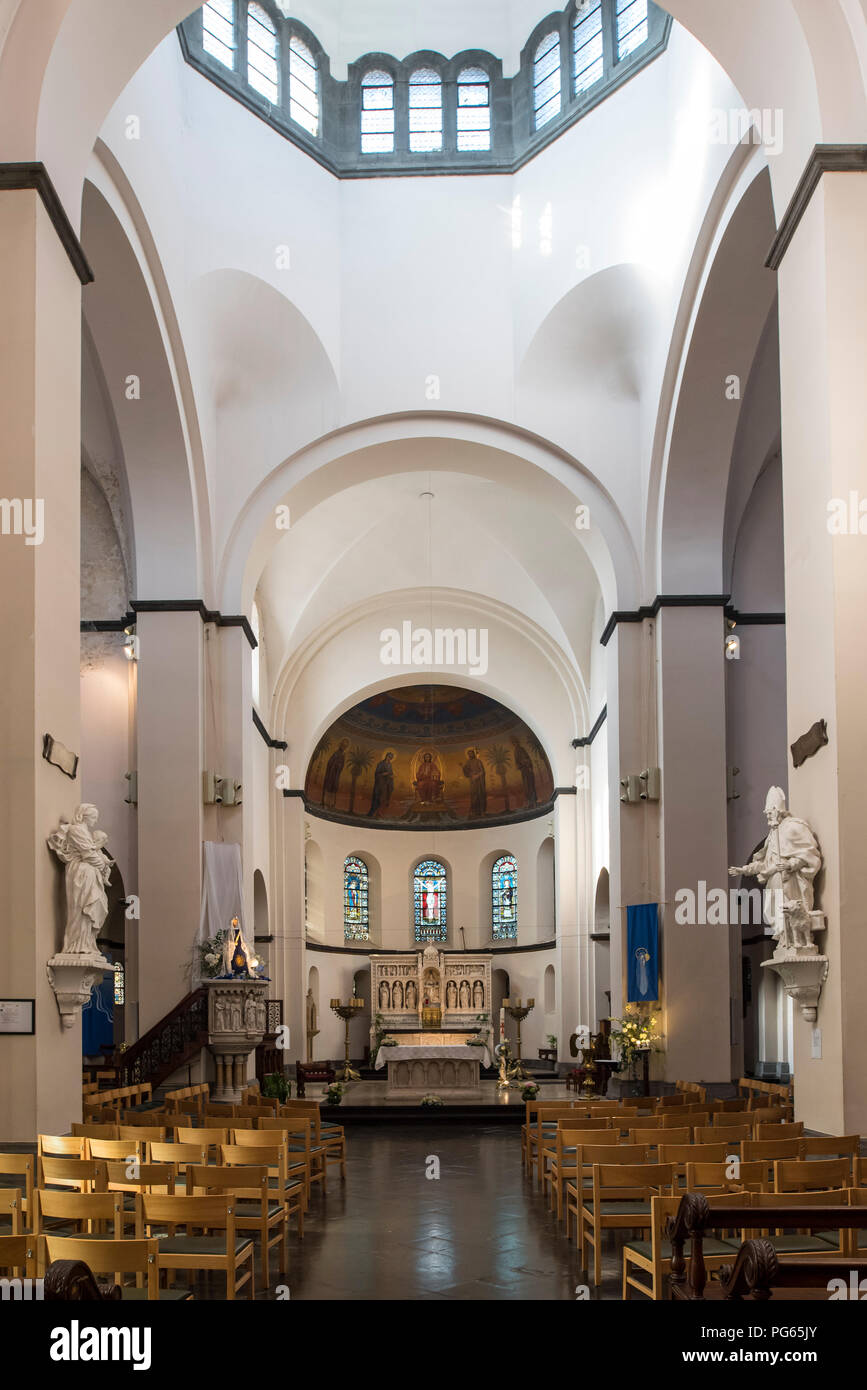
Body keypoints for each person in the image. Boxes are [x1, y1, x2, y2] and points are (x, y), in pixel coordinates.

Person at [728, 786, 823, 949]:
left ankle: (797, 941)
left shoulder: (794, 827)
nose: (767, 815)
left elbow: (808, 855)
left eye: (769, 812)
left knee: (790, 911)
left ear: (777, 810)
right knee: (774, 913)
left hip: (789, 881)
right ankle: (785, 940)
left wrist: (790, 864)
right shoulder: (773, 834)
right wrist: (744, 870)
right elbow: (766, 864)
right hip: (774, 883)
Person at [47, 804, 113, 956]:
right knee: (82, 908)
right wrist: (103, 865)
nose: (95, 821)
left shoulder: (87, 833)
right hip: (82, 873)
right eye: (94, 817)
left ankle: (88, 942)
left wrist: (102, 866)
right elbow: (88, 854)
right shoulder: (76, 830)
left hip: (90, 873)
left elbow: (92, 852)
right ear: (84, 816)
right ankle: (77, 944)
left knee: (98, 905)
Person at [322, 738, 349, 808]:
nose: (343, 747)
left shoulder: (343, 756)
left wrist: (339, 766)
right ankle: (326, 803)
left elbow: (342, 766)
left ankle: (331, 804)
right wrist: (334, 764)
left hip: (336, 775)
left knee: (334, 788)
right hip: (331, 773)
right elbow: (329, 762)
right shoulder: (335, 753)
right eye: (342, 745)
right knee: (329, 787)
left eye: (345, 746)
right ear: (340, 745)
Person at [367, 750, 395, 817]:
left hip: (386, 785)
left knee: (383, 799)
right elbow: (377, 774)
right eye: (389, 757)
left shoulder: (390, 765)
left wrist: (391, 776)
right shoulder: (381, 764)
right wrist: (383, 774)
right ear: (386, 756)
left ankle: (379, 813)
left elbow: (390, 773)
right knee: (377, 798)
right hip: (380, 784)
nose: (389, 758)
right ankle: (372, 813)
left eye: (391, 758)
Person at [511, 737, 537, 807]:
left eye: (515, 742)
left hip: (527, 769)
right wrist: (521, 765)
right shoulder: (516, 751)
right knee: (527, 786)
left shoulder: (521, 749)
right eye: (514, 743)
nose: (515, 744)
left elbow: (527, 758)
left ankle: (533, 801)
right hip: (524, 770)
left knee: (530, 785)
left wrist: (528, 766)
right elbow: (518, 761)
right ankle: (530, 801)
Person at [462, 747, 487, 817]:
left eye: (471, 753)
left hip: (479, 782)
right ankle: (474, 812)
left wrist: (477, 776)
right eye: (469, 754)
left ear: (474, 754)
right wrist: (463, 768)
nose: (470, 755)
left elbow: (482, 771)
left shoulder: (478, 761)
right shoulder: (468, 762)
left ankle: (482, 811)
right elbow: (466, 772)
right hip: (473, 782)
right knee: (474, 796)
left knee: (481, 795)